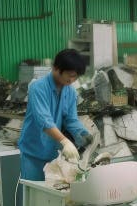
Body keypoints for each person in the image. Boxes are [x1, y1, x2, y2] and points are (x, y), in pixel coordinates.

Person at [18, 49, 91, 181]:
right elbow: (44, 122)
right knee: (33, 196)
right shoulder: (38, 88)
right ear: (56, 68)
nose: (72, 79)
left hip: (54, 154)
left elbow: (71, 120)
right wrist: (65, 141)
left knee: (52, 197)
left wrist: (83, 133)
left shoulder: (70, 92)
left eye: (76, 76)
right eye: (70, 75)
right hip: (34, 153)